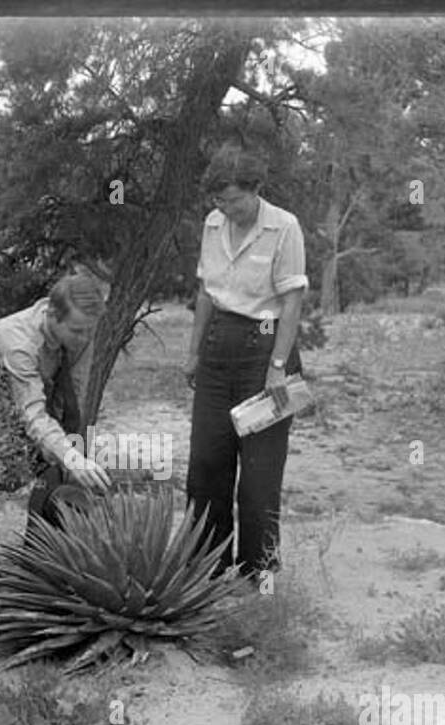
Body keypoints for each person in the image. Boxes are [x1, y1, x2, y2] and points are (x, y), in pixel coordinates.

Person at [184, 147, 309, 581]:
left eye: (235, 200)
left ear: (256, 191)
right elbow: (205, 292)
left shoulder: (284, 227)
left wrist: (277, 367)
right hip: (220, 345)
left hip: (266, 346)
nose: (227, 209)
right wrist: (195, 351)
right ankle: (206, 569)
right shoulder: (213, 224)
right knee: (206, 465)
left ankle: (259, 573)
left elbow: (292, 300)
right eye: (219, 201)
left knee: (258, 477)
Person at [0, 272, 113, 612]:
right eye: (77, 331)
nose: (85, 337)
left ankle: (34, 572)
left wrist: (73, 450)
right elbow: (32, 413)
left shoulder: (77, 330)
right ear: (53, 317)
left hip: (28, 387)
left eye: (89, 330)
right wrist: (73, 458)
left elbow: (74, 390)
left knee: (52, 463)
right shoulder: (20, 340)